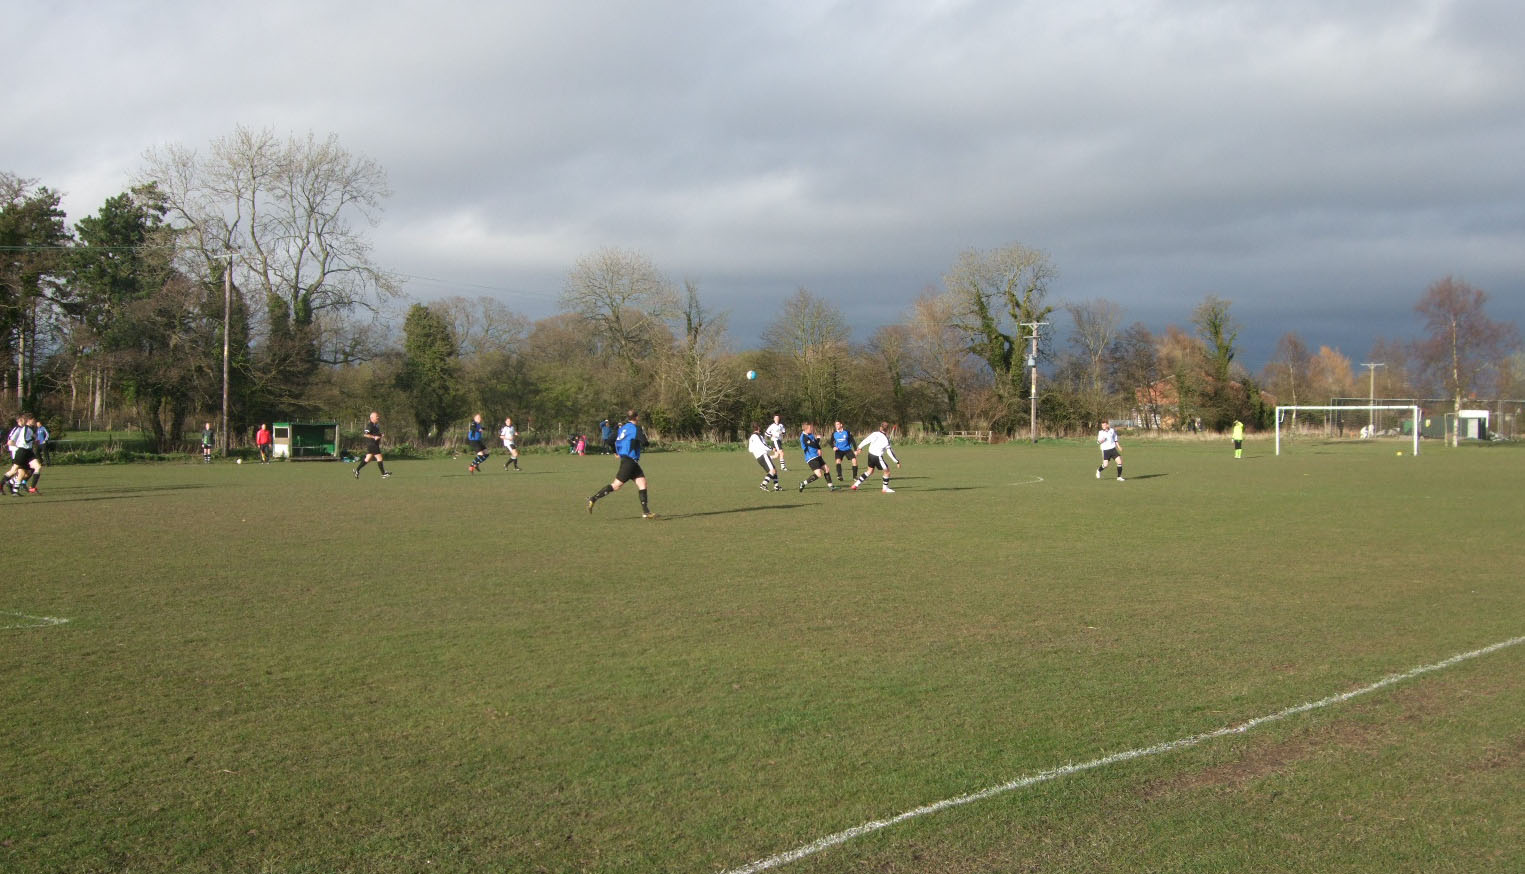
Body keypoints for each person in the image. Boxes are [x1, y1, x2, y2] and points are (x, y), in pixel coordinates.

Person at [587, 410, 654, 517]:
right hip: (630, 461)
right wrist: (643, 437)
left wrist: (615, 451)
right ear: (637, 417)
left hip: (630, 461)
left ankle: (646, 512)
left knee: (642, 483)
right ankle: (593, 498)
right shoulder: (636, 429)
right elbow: (645, 443)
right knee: (616, 485)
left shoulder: (621, 428)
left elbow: (609, 441)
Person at [851, 422, 901, 493]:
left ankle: (855, 485)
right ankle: (885, 489)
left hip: (870, 455)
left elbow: (866, 440)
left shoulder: (875, 433)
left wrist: (859, 447)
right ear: (887, 430)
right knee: (887, 472)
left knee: (870, 471)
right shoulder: (886, 440)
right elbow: (890, 452)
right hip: (878, 457)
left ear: (880, 428)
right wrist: (897, 461)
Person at [5, 415, 41, 495]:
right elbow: (26, 440)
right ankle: (13, 488)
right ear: (29, 420)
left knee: (37, 467)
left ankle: (31, 487)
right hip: (22, 451)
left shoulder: (30, 429)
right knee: (20, 472)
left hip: (29, 452)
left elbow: (29, 441)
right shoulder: (25, 428)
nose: (34, 422)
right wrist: (33, 438)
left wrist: (35, 441)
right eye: (33, 420)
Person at [796, 422, 835, 492]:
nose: (811, 429)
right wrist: (818, 442)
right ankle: (803, 483)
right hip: (811, 458)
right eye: (810, 428)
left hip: (817, 455)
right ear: (805, 429)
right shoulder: (803, 437)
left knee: (826, 469)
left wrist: (819, 447)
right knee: (819, 474)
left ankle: (831, 486)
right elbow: (812, 444)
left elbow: (816, 443)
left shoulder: (810, 434)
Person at [353, 411, 390, 479]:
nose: (378, 417)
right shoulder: (370, 425)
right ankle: (383, 474)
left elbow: (375, 434)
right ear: (372, 418)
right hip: (372, 444)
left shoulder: (375, 425)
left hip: (373, 444)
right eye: (376, 416)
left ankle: (357, 470)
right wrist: (374, 437)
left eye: (378, 416)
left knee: (368, 459)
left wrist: (380, 435)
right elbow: (365, 434)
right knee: (379, 458)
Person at [748, 423, 781, 491]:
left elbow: (750, 449)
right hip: (763, 455)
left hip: (759, 457)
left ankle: (776, 486)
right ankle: (763, 484)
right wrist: (772, 448)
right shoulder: (757, 436)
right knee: (772, 471)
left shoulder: (751, 437)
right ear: (758, 428)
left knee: (774, 470)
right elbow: (763, 445)